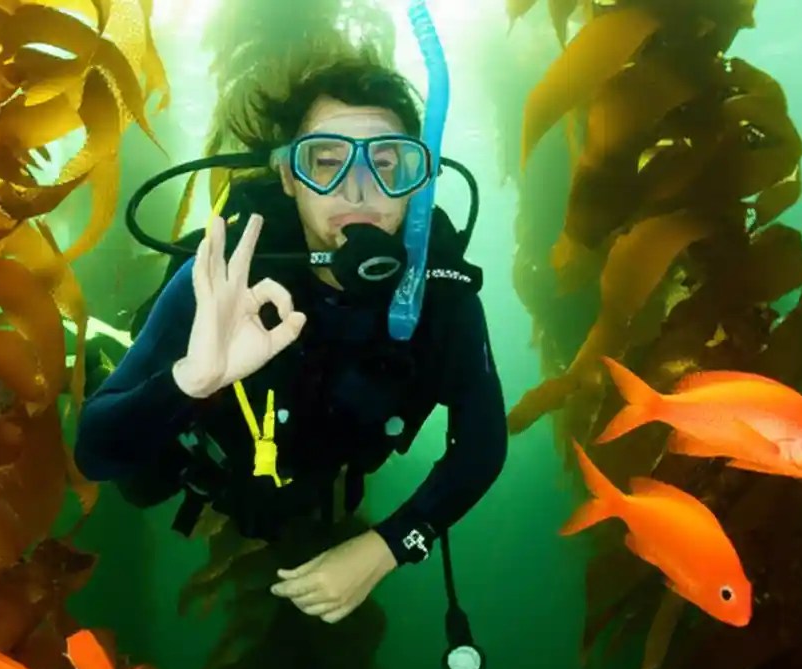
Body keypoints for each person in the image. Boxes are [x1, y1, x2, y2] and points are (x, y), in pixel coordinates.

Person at [74, 50, 507, 627]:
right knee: (143, 486)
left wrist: (388, 547)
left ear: (419, 182)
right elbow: (96, 452)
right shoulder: (227, 276)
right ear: (287, 176)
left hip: (320, 478)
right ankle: (99, 356)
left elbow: (482, 446)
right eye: (325, 162)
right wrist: (191, 380)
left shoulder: (441, 295)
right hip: (206, 458)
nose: (359, 193)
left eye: (390, 164)